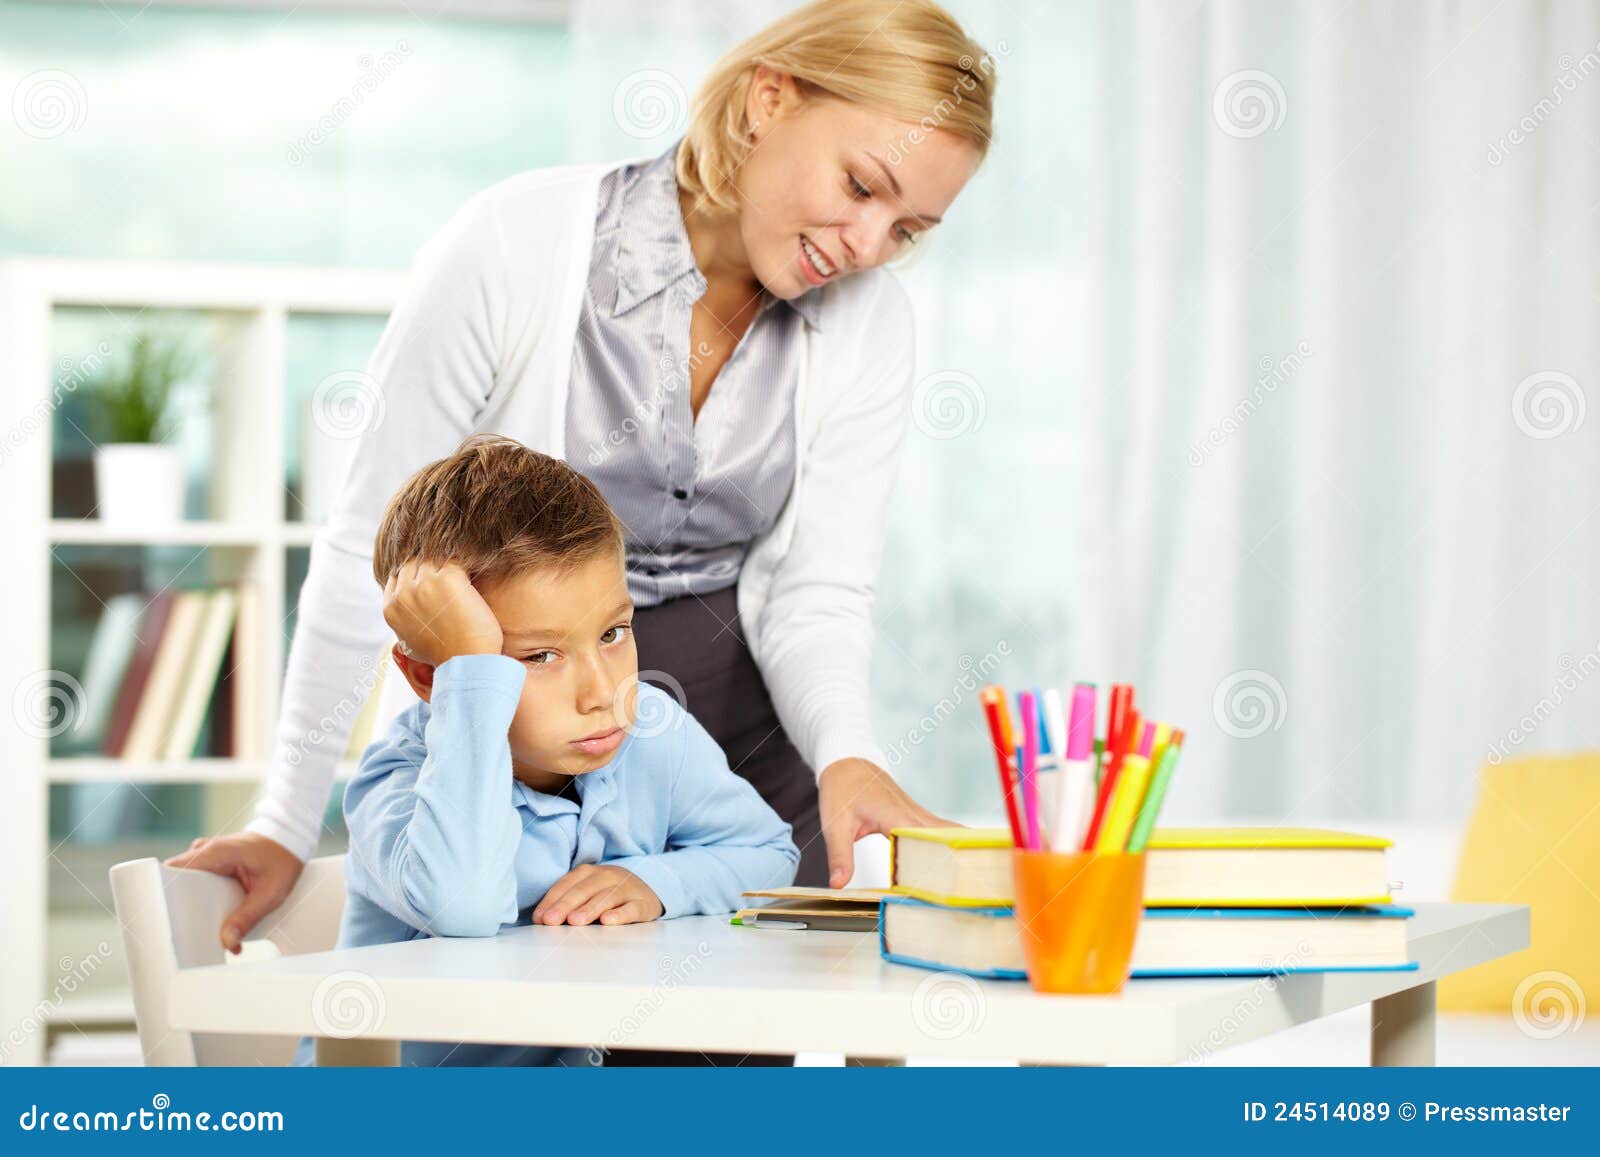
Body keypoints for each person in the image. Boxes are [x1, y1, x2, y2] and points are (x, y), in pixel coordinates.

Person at [168, 0, 995, 973]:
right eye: (860, 186)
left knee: (721, 1047)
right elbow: (371, 551)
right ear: (768, 99)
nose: (865, 244)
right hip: (514, 737)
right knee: (508, 1012)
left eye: (906, 229)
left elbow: (819, 594)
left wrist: (848, 756)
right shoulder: (515, 242)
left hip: (722, 774)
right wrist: (285, 819)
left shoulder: (871, 323)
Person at [290, 435, 798, 1067]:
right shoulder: (396, 782)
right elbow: (462, 903)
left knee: (745, 1051)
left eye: (612, 633)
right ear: (430, 676)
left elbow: (770, 855)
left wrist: (656, 882)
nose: (602, 692)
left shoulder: (651, 735)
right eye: (541, 656)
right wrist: (470, 675)